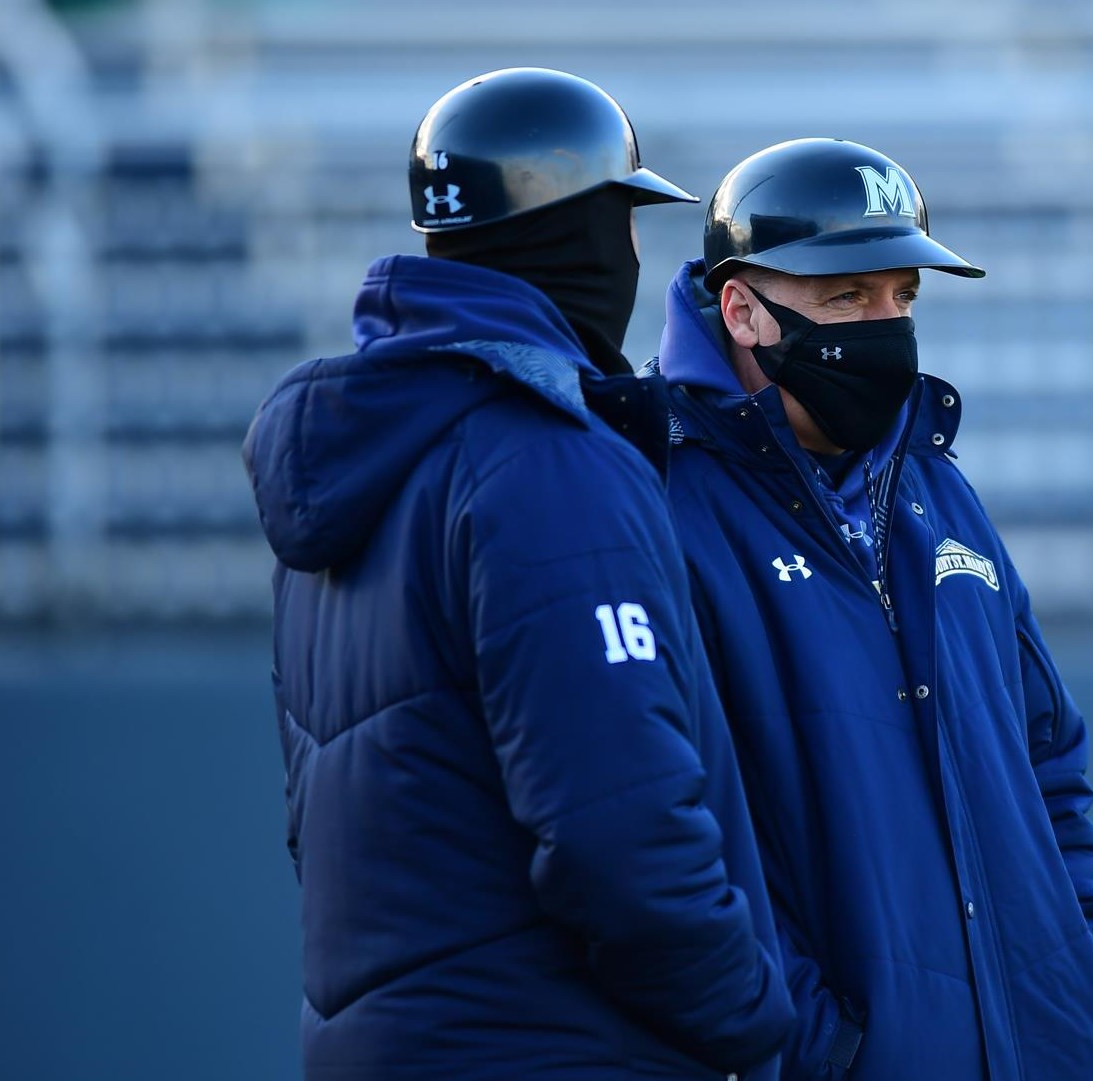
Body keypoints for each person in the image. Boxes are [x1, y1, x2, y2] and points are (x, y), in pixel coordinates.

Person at [240, 68, 793, 1080]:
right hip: (555, 1046)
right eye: (624, 220)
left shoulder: (367, 454)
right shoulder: (542, 459)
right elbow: (620, 833)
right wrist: (760, 1021)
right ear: (578, 234)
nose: (634, 253)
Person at [649, 138, 1093, 1080]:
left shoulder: (938, 489)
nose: (886, 324)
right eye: (846, 297)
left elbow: (1050, 766)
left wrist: (1086, 989)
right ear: (741, 309)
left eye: (903, 296)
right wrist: (815, 1047)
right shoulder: (658, 501)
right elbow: (665, 823)